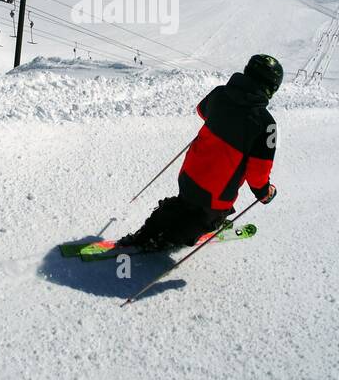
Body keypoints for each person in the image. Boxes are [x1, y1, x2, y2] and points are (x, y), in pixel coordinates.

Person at [119, 54, 282, 251]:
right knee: (204, 217)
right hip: (218, 193)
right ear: (271, 87)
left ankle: (149, 232)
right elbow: (258, 172)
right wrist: (264, 193)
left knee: (184, 202)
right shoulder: (267, 125)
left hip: (189, 174)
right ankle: (169, 238)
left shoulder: (221, 93)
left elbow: (201, 110)